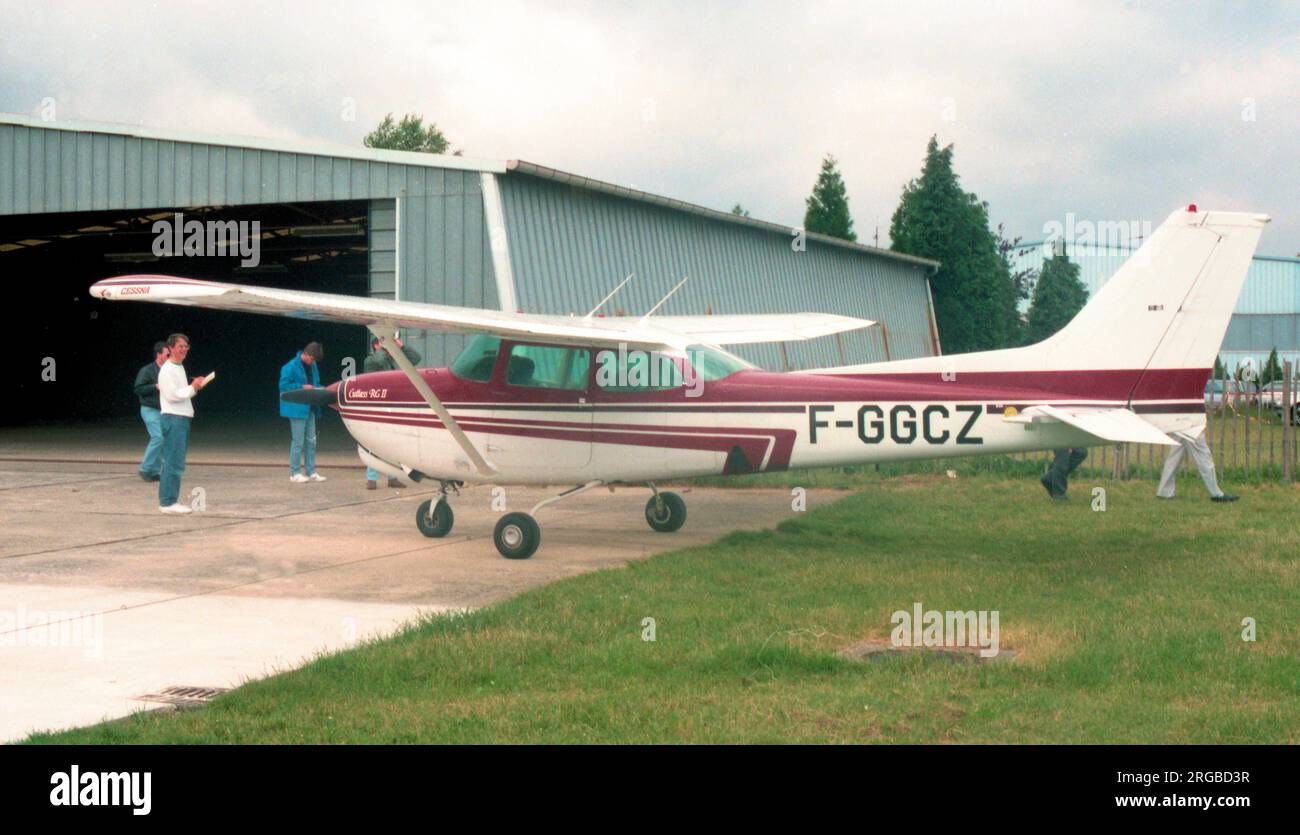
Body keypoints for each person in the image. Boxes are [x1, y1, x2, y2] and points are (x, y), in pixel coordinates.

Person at [362, 335, 422, 490]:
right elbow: (380, 362)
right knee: (374, 442)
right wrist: (383, 348)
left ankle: (393, 477)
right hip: (376, 407)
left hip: (390, 406)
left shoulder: (389, 360)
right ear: (376, 345)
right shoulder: (371, 360)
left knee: (392, 442)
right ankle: (371, 479)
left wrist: (401, 347)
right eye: (383, 344)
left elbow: (415, 359)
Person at [157, 333, 206, 514]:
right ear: (170, 348)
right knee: (173, 461)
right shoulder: (168, 369)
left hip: (181, 418)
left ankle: (170, 500)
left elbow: (180, 393)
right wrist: (193, 387)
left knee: (176, 461)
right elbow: (173, 395)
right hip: (174, 418)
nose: (184, 349)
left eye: (186, 346)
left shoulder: (179, 367)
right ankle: (168, 502)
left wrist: (193, 387)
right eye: (180, 346)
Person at [279, 341, 328, 483]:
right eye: (312, 359)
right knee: (298, 441)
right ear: (306, 354)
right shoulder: (289, 366)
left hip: (310, 407)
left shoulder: (313, 365)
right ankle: (294, 473)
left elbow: (316, 382)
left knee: (311, 441)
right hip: (296, 408)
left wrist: (320, 389)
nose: (313, 362)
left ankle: (311, 471)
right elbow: (283, 386)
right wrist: (301, 386)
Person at [1157, 427, 1238, 502]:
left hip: (1182, 419)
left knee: (1174, 456)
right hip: (1191, 421)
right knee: (1203, 456)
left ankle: (1164, 491)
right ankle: (1216, 493)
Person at [133, 341, 169, 481]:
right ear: (158, 354)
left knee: (162, 439)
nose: (169, 356)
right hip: (149, 409)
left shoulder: (169, 370)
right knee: (158, 437)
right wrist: (155, 386)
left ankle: (154, 471)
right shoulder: (147, 370)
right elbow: (138, 389)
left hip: (164, 410)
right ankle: (145, 468)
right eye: (167, 354)